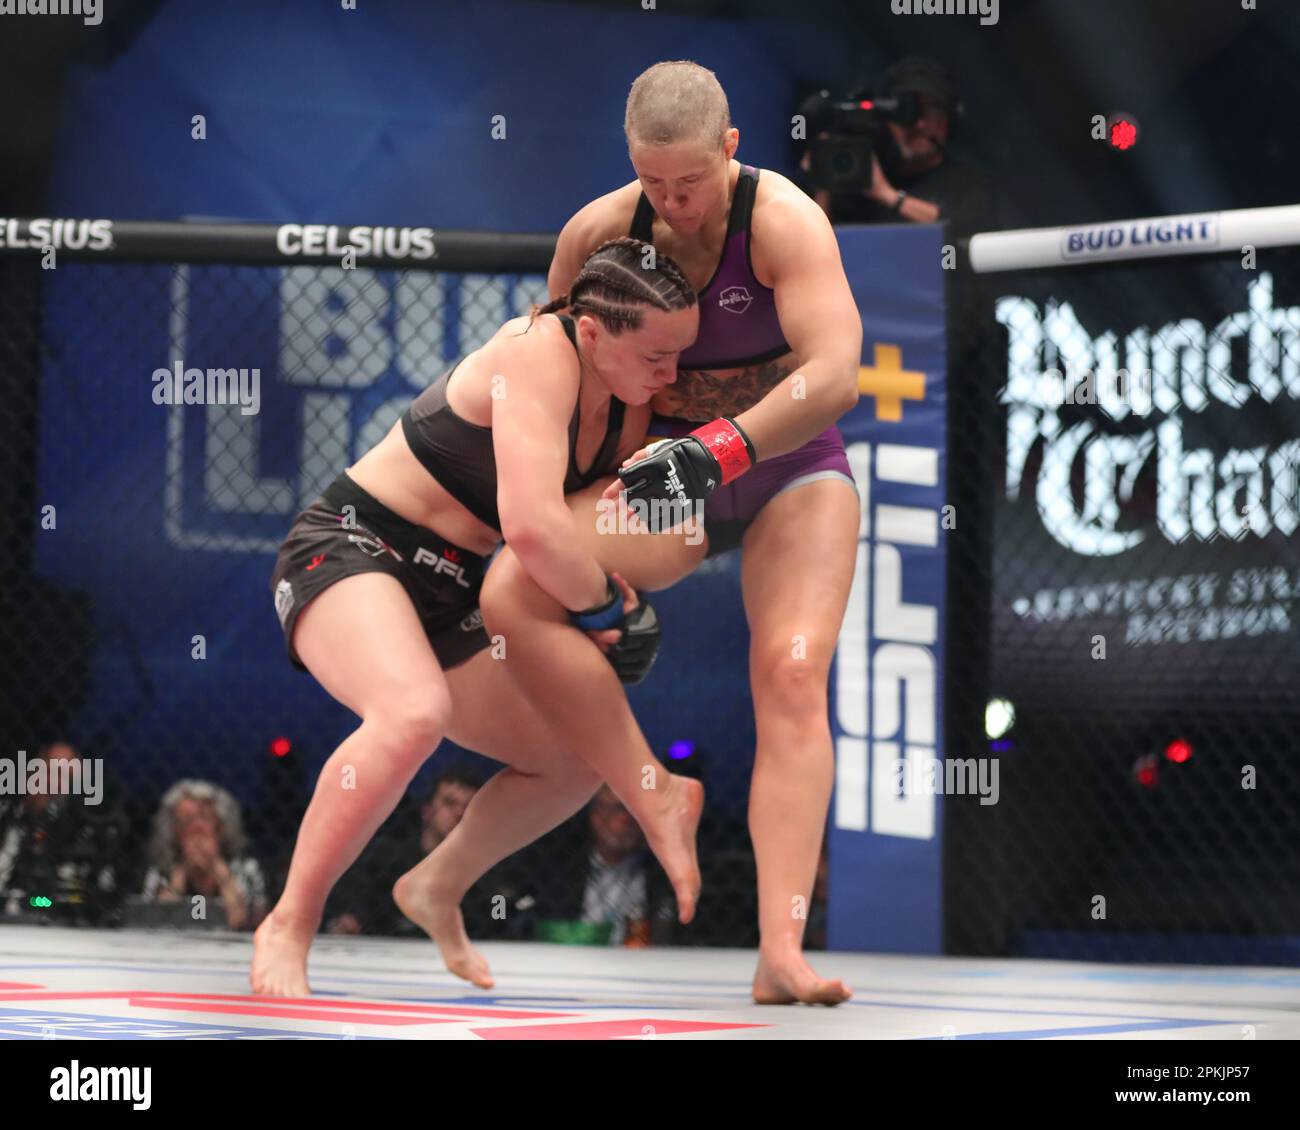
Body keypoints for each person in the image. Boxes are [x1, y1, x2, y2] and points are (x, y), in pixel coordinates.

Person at [417, 60, 863, 1004]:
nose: (674, 202)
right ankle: (636, 785)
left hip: (784, 467)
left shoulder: (782, 220)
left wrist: (724, 446)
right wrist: (588, 535)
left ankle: (780, 954)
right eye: (654, 182)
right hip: (661, 480)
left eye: (691, 183)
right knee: (513, 589)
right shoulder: (597, 232)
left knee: (790, 671)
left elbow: (834, 376)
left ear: (732, 149)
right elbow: (559, 374)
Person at [251, 237, 704, 996]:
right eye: (657, 355)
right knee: (410, 712)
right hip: (356, 546)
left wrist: (621, 598)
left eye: (679, 354)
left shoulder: (628, 409)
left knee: (572, 759)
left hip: (455, 587)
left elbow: (589, 533)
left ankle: (435, 885)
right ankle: (290, 922)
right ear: (593, 332)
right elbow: (531, 529)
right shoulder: (536, 353)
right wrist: (599, 611)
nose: (671, 373)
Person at [809, 55, 995, 242]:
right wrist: (823, 180)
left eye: (933, 112)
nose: (920, 124)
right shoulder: (853, 173)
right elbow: (813, 247)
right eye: (908, 111)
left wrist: (887, 195)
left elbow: (964, 230)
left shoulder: (967, 181)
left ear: (951, 120)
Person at [141, 779, 267, 932]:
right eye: (186, 820)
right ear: (174, 830)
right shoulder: (162, 872)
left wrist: (219, 871)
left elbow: (244, 922)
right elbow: (154, 924)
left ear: (221, 826)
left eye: (205, 817)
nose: (197, 827)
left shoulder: (246, 869)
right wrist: (179, 877)